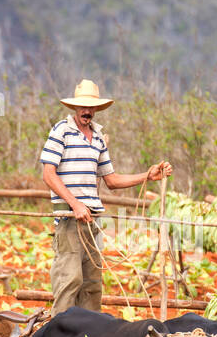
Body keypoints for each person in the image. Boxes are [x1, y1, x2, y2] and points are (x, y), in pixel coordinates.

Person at [40, 79, 172, 313]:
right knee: (69, 279)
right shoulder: (61, 131)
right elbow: (48, 174)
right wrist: (74, 204)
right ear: (75, 108)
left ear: (96, 110)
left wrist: (147, 176)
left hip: (92, 220)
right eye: (83, 107)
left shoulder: (98, 138)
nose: (87, 111)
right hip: (69, 217)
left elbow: (111, 180)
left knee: (92, 283)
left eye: (91, 108)